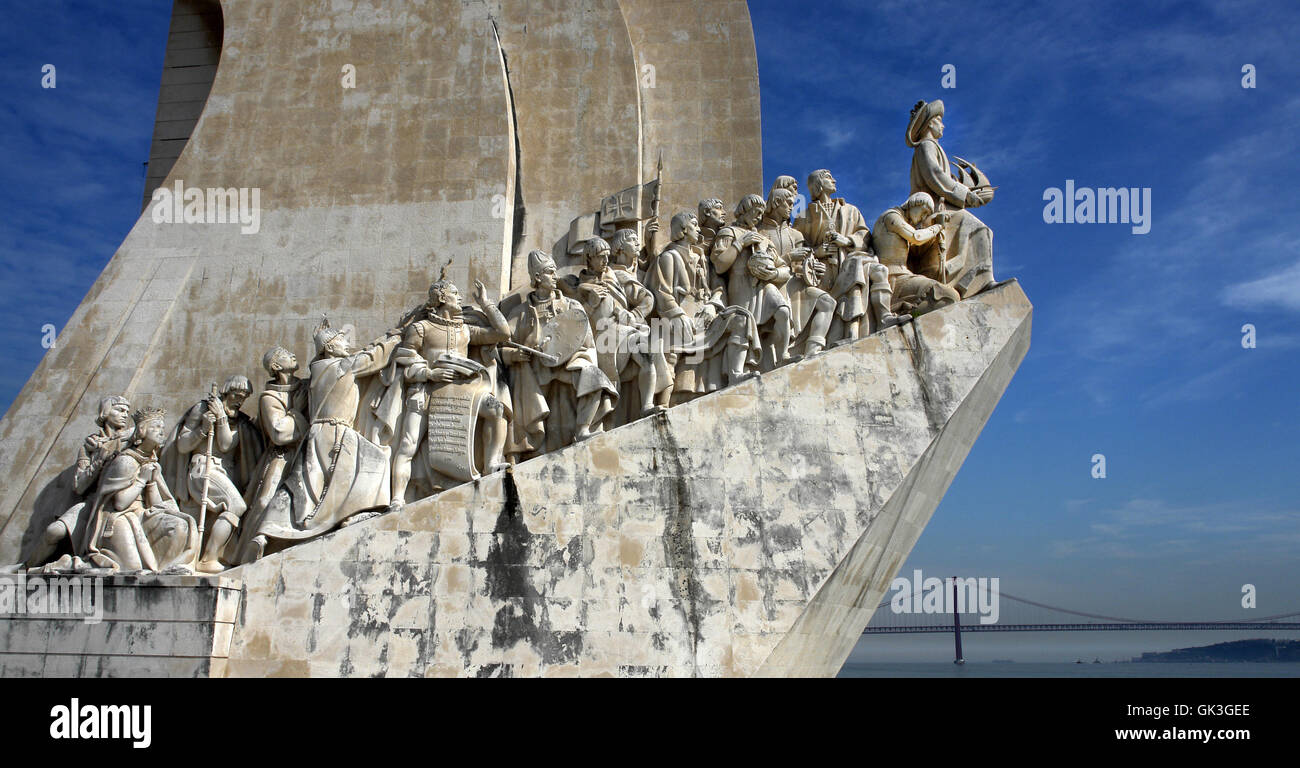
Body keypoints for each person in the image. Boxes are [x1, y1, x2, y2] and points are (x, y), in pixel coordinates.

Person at [243, 318, 401, 561]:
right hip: (337, 432)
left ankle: (266, 531)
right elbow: (373, 358)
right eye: (340, 342)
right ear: (328, 348)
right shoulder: (342, 366)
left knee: (303, 485)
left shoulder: (318, 370)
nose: (346, 345)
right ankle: (354, 511)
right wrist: (397, 337)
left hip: (316, 433)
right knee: (377, 461)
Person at [388, 274, 512, 509]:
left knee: (496, 410)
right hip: (427, 391)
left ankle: (493, 463)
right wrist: (429, 373)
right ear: (443, 297)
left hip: (460, 391)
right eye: (455, 294)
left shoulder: (465, 331)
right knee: (408, 443)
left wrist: (486, 303)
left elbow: (503, 333)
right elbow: (404, 357)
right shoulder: (421, 328)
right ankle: (397, 498)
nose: (460, 298)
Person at [502, 250, 618, 458]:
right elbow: (502, 344)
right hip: (536, 370)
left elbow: (586, 339)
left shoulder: (571, 305)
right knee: (521, 384)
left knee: (593, 376)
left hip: (566, 363)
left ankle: (583, 428)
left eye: (555, 272)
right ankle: (521, 447)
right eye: (549, 272)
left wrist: (573, 353)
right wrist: (514, 355)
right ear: (537, 277)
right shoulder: (520, 313)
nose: (555, 277)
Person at [7, 396, 135, 572]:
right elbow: (80, 485)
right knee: (54, 532)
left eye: (127, 412)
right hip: (91, 502)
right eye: (120, 410)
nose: (125, 415)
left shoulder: (130, 439)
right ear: (105, 412)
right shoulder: (89, 446)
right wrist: (99, 460)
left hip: (116, 502)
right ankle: (26, 567)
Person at [646, 211, 758, 405]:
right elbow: (662, 292)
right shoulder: (669, 257)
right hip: (681, 319)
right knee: (667, 348)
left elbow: (718, 287)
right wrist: (678, 315)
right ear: (682, 230)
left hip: (706, 318)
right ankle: (661, 403)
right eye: (694, 224)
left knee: (741, 318)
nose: (699, 229)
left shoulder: (702, 258)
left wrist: (713, 304)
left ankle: (735, 374)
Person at [561, 237, 672, 422]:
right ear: (589, 258)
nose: (605, 261)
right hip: (600, 337)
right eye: (600, 257)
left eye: (607, 256)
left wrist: (632, 315)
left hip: (621, 330)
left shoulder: (613, 277)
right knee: (644, 347)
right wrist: (586, 290)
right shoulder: (574, 284)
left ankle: (647, 406)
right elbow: (574, 312)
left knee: (648, 351)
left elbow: (645, 298)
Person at [163, 375, 263, 573]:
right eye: (236, 395)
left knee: (216, 518)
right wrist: (203, 429)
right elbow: (183, 445)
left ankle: (208, 557)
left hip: (223, 472)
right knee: (236, 505)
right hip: (203, 469)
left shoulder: (238, 421)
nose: (239, 400)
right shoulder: (201, 409)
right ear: (226, 392)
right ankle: (209, 558)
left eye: (244, 397)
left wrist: (221, 419)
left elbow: (225, 444)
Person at [80, 407, 199, 573]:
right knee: (132, 568)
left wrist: (151, 484)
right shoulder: (126, 461)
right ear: (142, 431)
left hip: (140, 514)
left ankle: (165, 570)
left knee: (180, 525)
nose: (161, 431)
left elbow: (156, 504)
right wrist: (142, 480)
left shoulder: (151, 462)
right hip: (119, 518)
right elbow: (120, 504)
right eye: (156, 427)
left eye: (162, 428)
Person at [907, 99, 1002, 298]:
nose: (943, 125)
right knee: (979, 229)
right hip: (933, 211)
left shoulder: (933, 147)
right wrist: (966, 195)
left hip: (944, 207)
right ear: (929, 123)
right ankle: (979, 282)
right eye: (939, 120)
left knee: (981, 230)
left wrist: (967, 189)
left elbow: (943, 178)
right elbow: (934, 175)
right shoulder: (926, 146)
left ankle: (975, 280)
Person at [232, 346, 309, 565]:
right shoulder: (269, 397)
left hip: (305, 452)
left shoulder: (304, 386)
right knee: (265, 499)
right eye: (285, 354)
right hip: (282, 455)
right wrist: (296, 411)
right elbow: (279, 433)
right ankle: (247, 552)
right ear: (275, 366)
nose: (293, 354)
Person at [711, 194, 795, 369]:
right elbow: (720, 265)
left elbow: (785, 269)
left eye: (761, 214)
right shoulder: (729, 233)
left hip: (765, 286)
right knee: (744, 325)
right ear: (744, 211)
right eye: (756, 212)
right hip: (741, 286)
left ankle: (783, 355)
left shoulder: (765, 240)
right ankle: (737, 370)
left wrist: (773, 274)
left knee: (783, 312)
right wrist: (740, 243)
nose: (759, 217)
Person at [758, 188, 835, 357]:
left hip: (795, 285)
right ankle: (781, 354)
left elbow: (802, 267)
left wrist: (815, 270)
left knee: (828, 303)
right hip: (771, 285)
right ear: (777, 202)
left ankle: (812, 352)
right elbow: (761, 265)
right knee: (782, 313)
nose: (792, 207)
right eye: (789, 203)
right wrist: (788, 257)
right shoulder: (759, 232)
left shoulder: (796, 234)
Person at [871, 192, 960, 316]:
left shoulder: (901, 221)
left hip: (903, 275)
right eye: (923, 212)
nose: (923, 218)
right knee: (947, 296)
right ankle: (903, 311)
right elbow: (916, 237)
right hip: (893, 277)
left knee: (949, 296)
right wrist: (938, 226)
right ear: (915, 203)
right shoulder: (892, 216)